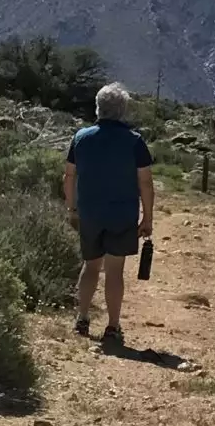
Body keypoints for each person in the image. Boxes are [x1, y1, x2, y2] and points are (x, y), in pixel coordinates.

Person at [64, 80, 156, 348]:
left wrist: (72, 208)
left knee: (90, 265)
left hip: (90, 213)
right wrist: (147, 218)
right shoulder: (134, 142)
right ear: (122, 110)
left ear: (98, 108)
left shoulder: (81, 138)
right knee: (114, 272)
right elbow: (146, 183)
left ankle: (82, 319)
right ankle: (113, 327)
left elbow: (69, 176)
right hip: (122, 216)